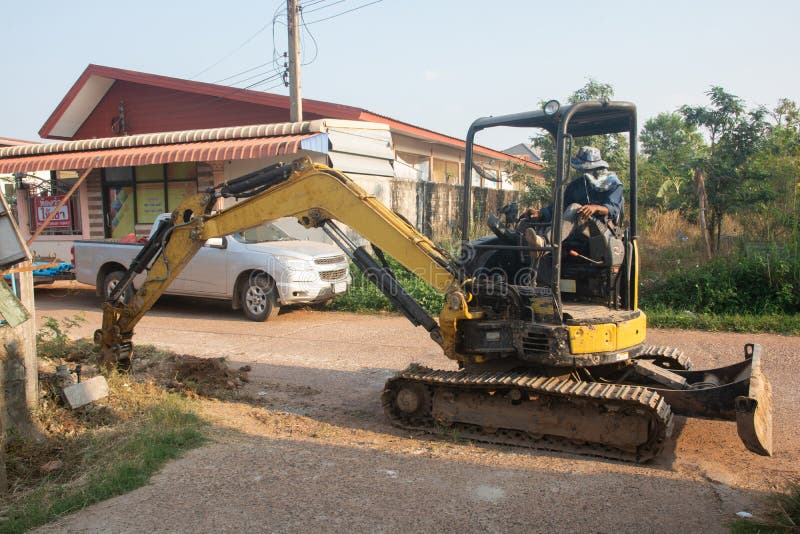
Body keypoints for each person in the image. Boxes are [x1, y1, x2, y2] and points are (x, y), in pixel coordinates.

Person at [521, 146, 623, 254]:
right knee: (528, 220)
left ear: (597, 167)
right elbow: (561, 207)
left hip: (601, 229)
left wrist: (596, 208)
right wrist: (540, 213)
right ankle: (523, 253)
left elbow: (613, 209)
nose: (584, 171)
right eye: (582, 169)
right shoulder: (576, 185)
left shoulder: (613, 184)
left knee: (575, 207)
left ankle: (544, 245)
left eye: (588, 169)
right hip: (577, 226)